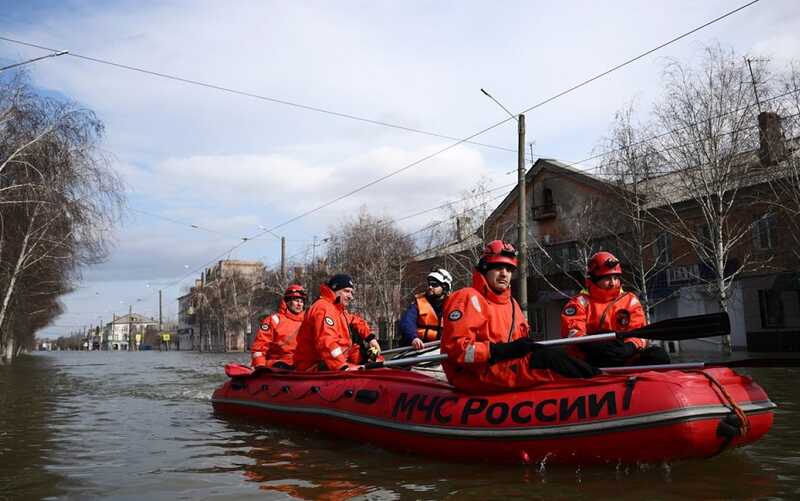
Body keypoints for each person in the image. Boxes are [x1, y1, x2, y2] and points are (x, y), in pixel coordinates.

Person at [441, 240, 598, 393]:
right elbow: (457, 350)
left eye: (509, 269)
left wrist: (522, 348)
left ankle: (601, 378)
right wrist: (500, 350)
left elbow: (520, 344)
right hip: (475, 373)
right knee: (548, 359)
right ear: (484, 268)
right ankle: (600, 385)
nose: (504, 274)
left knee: (556, 353)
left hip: (503, 366)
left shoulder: (511, 304)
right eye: (498, 268)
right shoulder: (468, 297)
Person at [560, 251, 671, 367]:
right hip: (589, 361)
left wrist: (628, 348)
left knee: (658, 356)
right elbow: (573, 332)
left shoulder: (630, 301)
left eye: (616, 277)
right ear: (594, 279)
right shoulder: (579, 303)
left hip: (623, 358)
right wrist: (597, 347)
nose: (613, 283)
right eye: (607, 278)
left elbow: (639, 333)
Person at [293, 273, 381, 371]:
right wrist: (343, 367)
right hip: (315, 366)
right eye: (347, 291)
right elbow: (327, 342)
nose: (350, 296)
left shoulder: (337, 310)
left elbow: (355, 321)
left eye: (351, 292)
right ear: (335, 290)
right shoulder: (323, 308)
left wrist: (370, 338)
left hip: (333, 361)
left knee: (376, 362)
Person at [251, 284, 307, 370]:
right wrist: (260, 365)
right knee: (282, 366)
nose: (299, 304)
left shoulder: (307, 321)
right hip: (279, 363)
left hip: (302, 363)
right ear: (287, 302)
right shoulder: (274, 320)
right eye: (296, 300)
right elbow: (260, 346)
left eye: (301, 301)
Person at [398, 268, 453, 350]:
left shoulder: (453, 304)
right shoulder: (418, 303)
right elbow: (407, 322)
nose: (430, 287)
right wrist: (414, 338)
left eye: (434, 285)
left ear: (444, 287)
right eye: (429, 284)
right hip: (420, 347)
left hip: (441, 347)